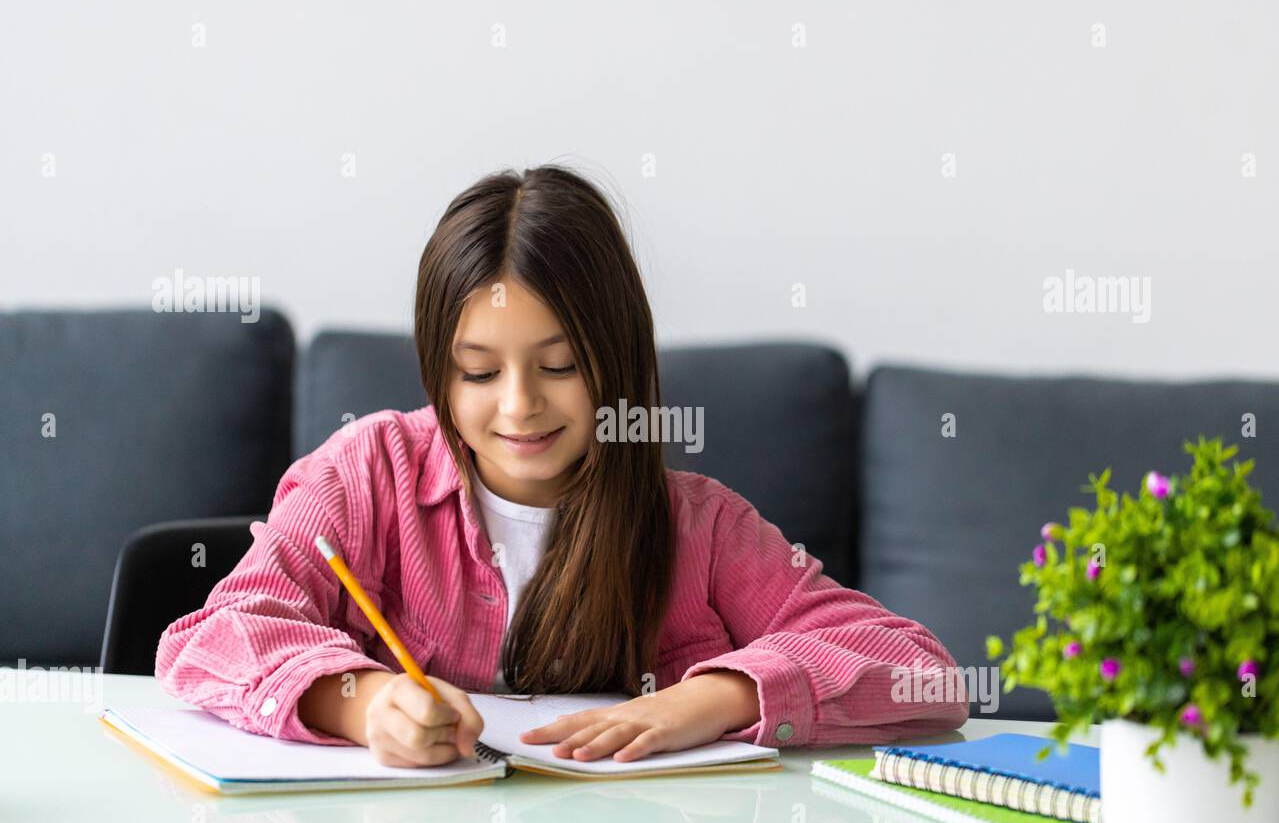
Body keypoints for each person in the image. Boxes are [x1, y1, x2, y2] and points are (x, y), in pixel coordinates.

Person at [156, 163, 969, 767]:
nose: (518, 407)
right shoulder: (366, 473)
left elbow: (919, 670)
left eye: (559, 366)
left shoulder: (697, 524)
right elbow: (214, 637)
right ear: (438, 369)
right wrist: (362, 701)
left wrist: (717, 697)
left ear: (615, 359)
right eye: (478, 372)